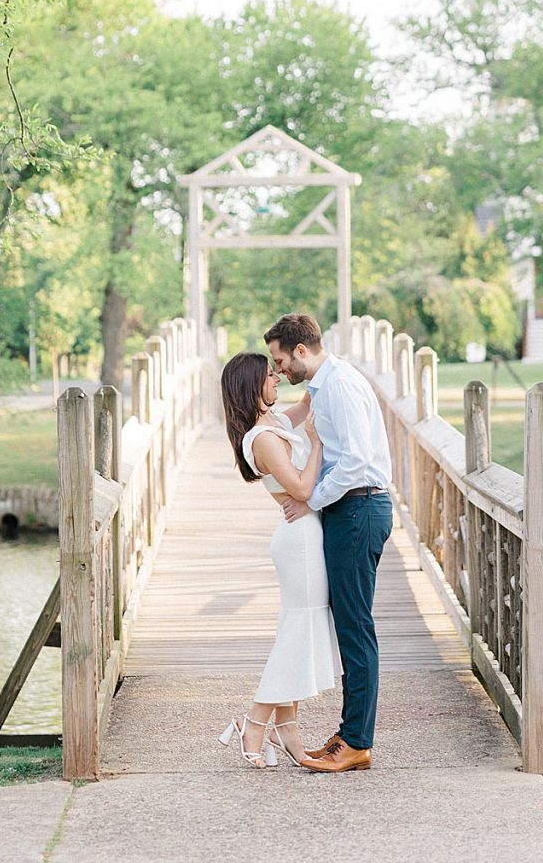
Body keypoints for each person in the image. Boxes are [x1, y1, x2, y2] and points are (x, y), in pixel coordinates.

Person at [263, 313, 392, 773]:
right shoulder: (322, 386)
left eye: (280, 361)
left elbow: (356, 463)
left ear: (301, 350)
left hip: (358, 507)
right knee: (349, 625)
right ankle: (348, 733)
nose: (278, 371)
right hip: (347, 509)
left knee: (356, 626)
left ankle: (357, 742)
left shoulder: (337, 387)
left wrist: (310, 500)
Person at [217, 350, 342, 769]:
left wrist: (323, 362)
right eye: (270, 375)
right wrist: (320, 444)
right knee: (296, 634)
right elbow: (302, 491)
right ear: (252, 387)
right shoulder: (264, 439)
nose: (277, 378)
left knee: (297, 632)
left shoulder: (273, 423)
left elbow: (307, 401)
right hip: (300, 540)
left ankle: (288, 732)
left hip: (305, 536)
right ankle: (253, 722)